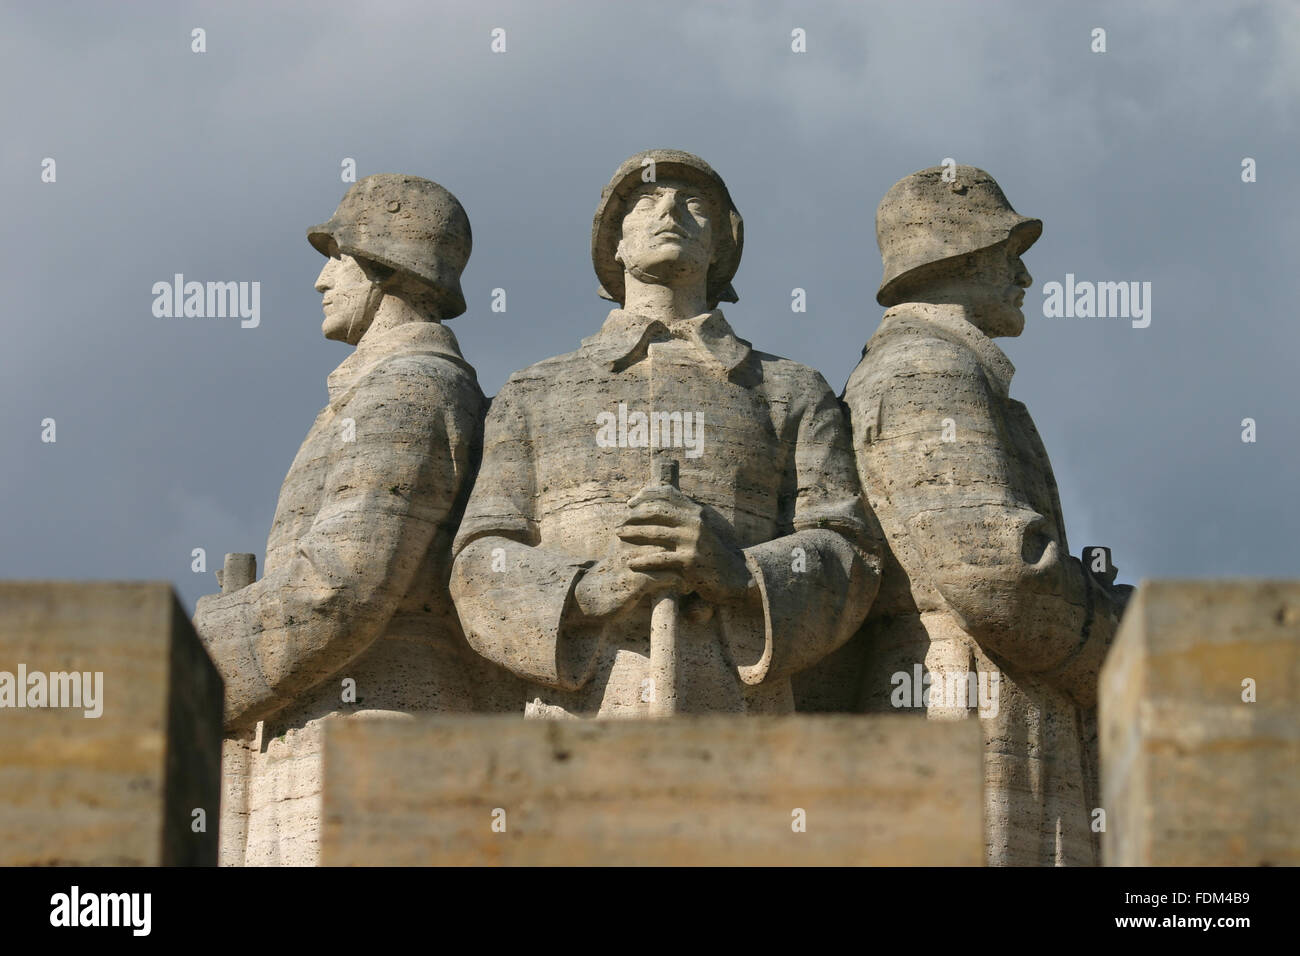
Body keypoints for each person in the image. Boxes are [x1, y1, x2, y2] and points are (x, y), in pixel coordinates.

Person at [450, 149, 882, 718]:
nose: (670, 210)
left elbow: (848, 551)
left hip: (740, 711)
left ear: (722, 242)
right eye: (646, 200)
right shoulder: (535, 390)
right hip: (579, 716)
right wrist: (585, 590)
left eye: (695, 203)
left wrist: (739, 574)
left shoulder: (791, 389)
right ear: (616, 243)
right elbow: (480, 558)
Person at [193, 174, 516, 865]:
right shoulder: (373, 389)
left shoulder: (411, 386)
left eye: (338, 256)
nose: (321, 281)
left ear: (387, 265)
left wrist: (202, 658)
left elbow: (345, 581)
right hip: (326, 719)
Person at [841, 165, 1129, 865]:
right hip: (966, 697)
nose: (1023, 277)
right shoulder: (928, 369)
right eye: (1009, 254)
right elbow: (997, 576)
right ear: (959, 255)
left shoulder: (938, 366)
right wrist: (1118, 637)